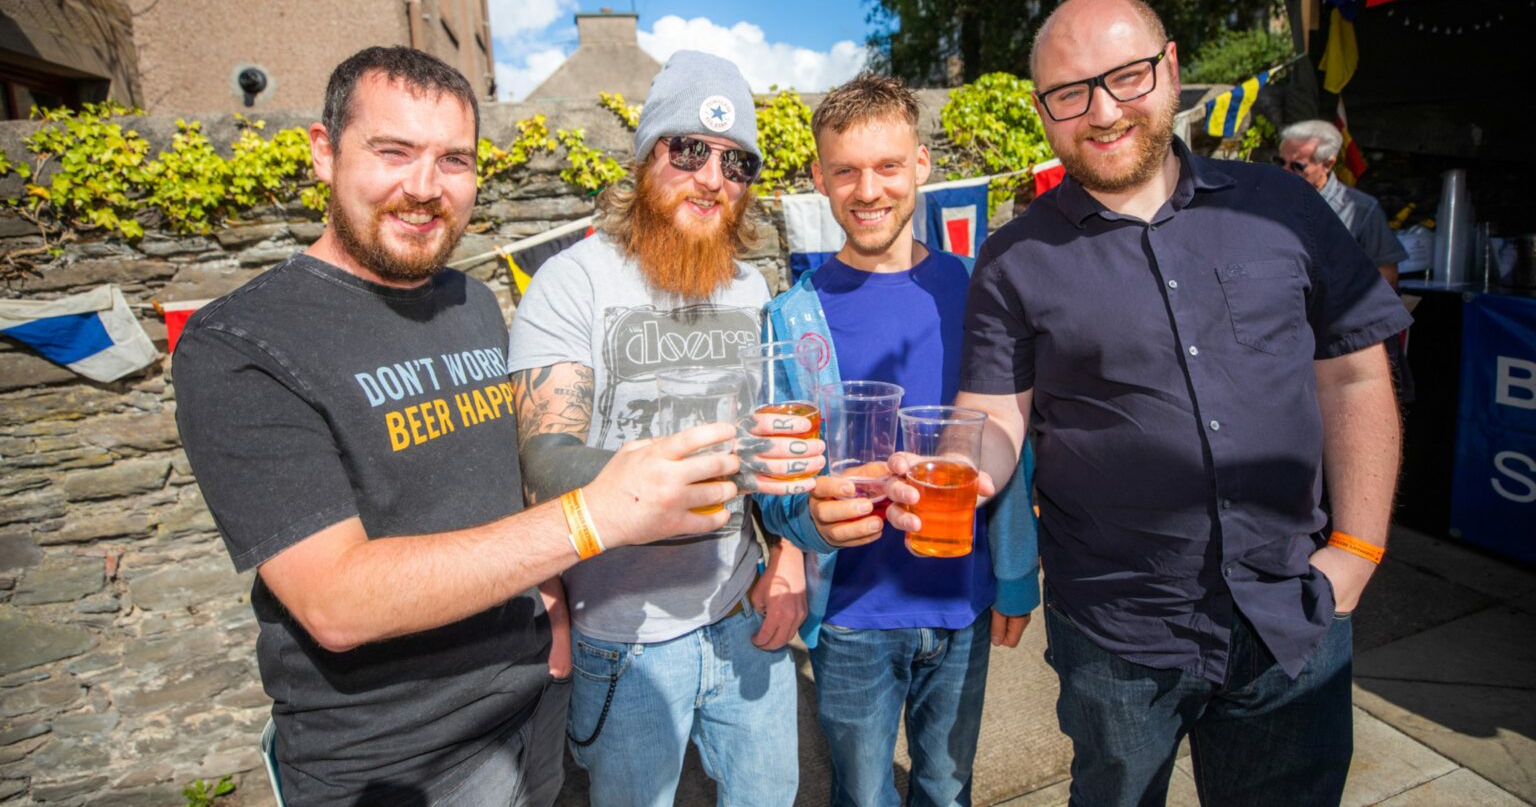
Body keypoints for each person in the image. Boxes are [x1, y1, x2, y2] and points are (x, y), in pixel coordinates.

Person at [174, 46, 745, 807]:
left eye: (453, 160)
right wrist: (597, 515)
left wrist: (552, 605)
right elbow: (335, 602)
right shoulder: (242, 343)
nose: (423, 187)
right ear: (324, 152)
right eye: (393, 152)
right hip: (394, 763)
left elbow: (500, 484)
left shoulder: (469, 302)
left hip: (532, 710)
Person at [880, 0, 1412, 806]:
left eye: (1125, 77)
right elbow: (991, 414)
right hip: (1116, 635)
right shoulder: (1013, 258)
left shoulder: (1285, 208)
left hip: (1293, 612)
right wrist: (960, 469)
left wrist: (1359, 550)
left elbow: (1355, 374)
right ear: (1043, 112)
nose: (1101, 112)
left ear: (1169, 68)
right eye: (1070, 93)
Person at [506, 50, 817, 807]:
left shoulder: (752, 287)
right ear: (647, 157)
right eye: (688, 150)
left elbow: (772, 444)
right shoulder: (573, 282)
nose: (712, 177)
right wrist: (690, 471)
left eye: (736, 162)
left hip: (741, 616)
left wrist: (789, 556)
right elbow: (544, 463)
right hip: (622, 642)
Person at [757, 73, 1039, 807]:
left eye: (887, 166)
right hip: (852, 616)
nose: (868, 190)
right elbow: (778, 483)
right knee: (862, 794)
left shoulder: (981, 291)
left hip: (963, 602)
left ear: (921, 164)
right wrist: (802, 526)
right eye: (845, 171)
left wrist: (1016, 573)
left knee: (947, 788)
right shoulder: (791, 318)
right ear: (818, 177)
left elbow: (1012, 438)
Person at [1276, 119, 1406, 288]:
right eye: (1280, 162)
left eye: (1297, 166)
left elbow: (1387, 277)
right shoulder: (1268, 200)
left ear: (1327, 164)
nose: (1284, 171)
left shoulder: (1361, 210)